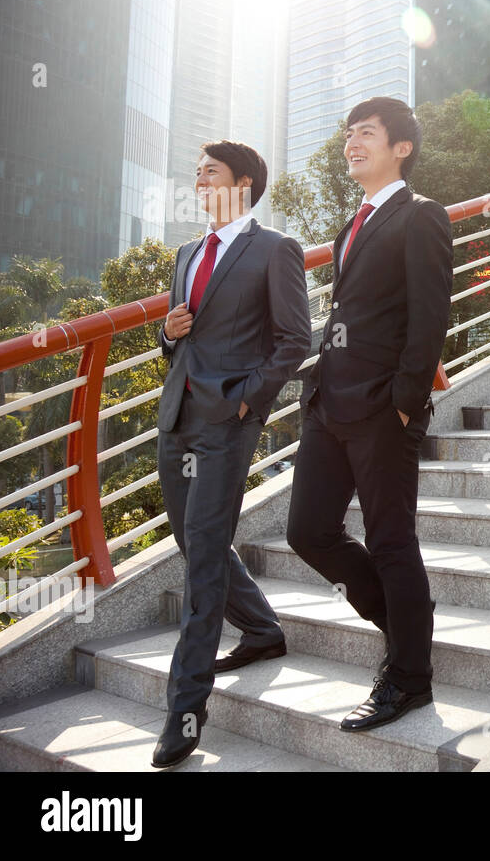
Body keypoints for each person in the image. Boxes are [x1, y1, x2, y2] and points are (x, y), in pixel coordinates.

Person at [286, 97, 453, 731]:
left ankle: (410, 679)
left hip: (384, 408)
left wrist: (406, 404)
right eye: (347, 133)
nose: (351, 143)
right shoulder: (350, 224)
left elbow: (429, 316)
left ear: (401, 147)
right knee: (308, 531)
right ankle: (406, 624)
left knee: (390, 542)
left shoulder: (421, 217)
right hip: (329, 403)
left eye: (366, 133)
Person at [154, 140, 311, 768]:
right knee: (195, 541)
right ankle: (264, 629)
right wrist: (166, 332)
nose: (198, 181)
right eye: (196, 173)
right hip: (178, 415)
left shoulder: (275, 249)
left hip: (229, 421)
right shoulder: (187, 252)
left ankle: (184, 711)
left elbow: (295, 337)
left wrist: (248, 402)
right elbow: (178, 335)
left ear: (242, 182)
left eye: (209, 172)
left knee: (201, 564)